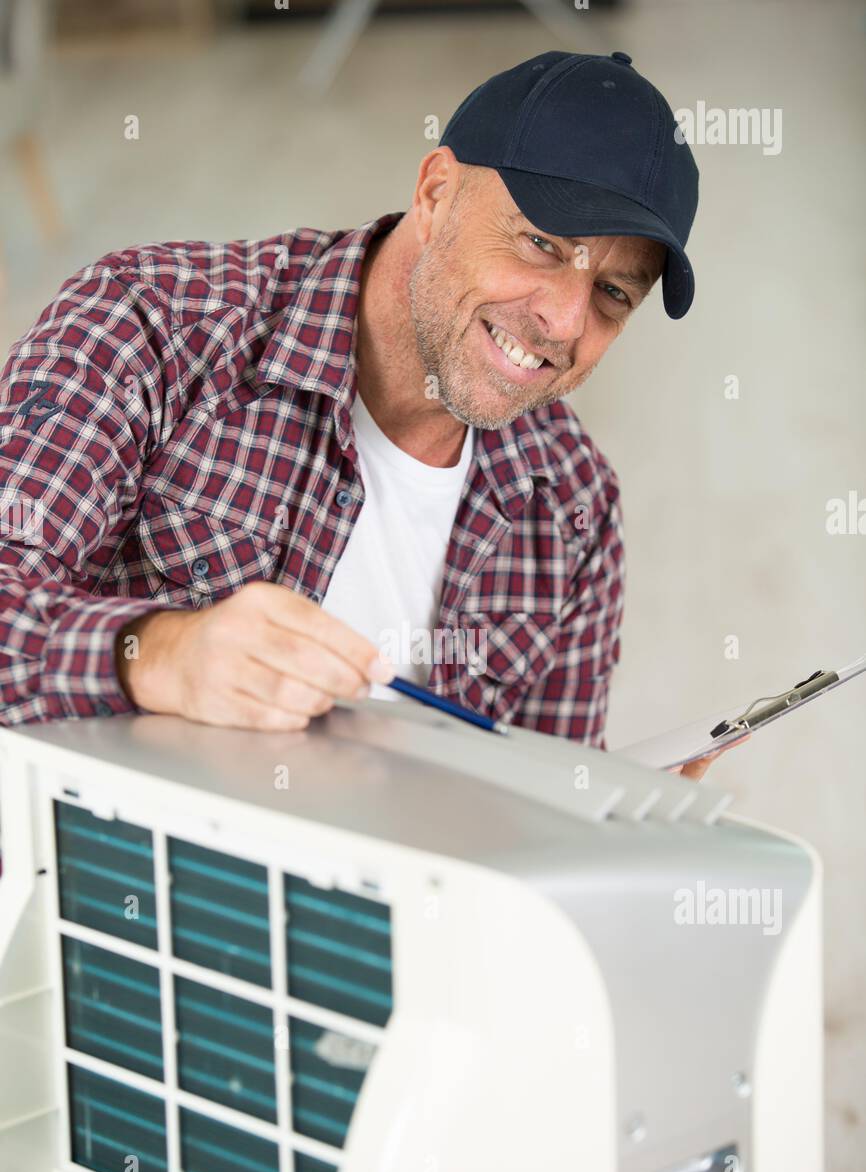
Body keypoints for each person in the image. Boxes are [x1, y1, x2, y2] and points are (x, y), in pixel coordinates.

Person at [0, 51, 719, 775]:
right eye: (541, 244)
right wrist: (155, 654)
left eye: (614, 295)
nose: (565, 322)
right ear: (436, 193)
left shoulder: (574, 508)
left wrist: (612, 836)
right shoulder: (152, 324)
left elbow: (534, 811)